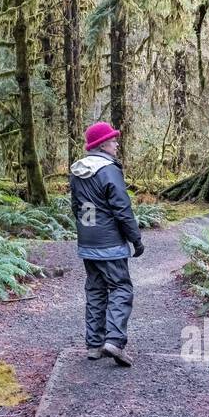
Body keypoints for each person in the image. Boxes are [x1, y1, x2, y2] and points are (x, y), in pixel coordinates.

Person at [69, 121, 144, 367]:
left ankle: (94, 345)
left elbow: (76, 208)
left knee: (96, 291)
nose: (117, 144)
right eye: (113, 141)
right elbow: (122, 208)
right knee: (121, 288)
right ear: (102, 144)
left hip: (88, 242)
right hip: (110, 243)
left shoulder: (78, 171)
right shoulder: (108, 170)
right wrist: (135, 238)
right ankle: (114, 341)